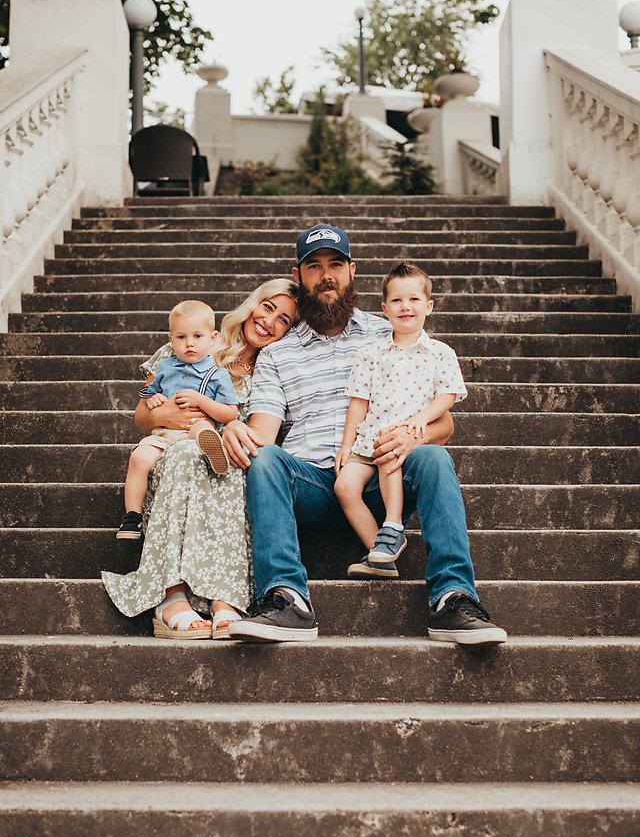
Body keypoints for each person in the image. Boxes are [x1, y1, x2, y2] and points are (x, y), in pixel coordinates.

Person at [223, 223, 507, 646]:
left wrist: (412, 437)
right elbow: (262, 434)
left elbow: (445, 425)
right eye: (314, 266)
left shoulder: (389, 331)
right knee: (264, 460)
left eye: (335, 264)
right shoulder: (278, 353)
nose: (326, 276)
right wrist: (231, 425)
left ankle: (453, 598)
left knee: (433, 457)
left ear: (351, 271)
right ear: (299, 276)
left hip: (381, 478)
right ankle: (286, 599)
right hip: (311, 484)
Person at [102, 279, 299, 639]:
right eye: (268, 307)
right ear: (253, 305)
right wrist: (168, 415)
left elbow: (258, 434)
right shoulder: (192, 338)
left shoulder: (274, 370)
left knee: (234, 467)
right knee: (186, 454)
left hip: (222, 458)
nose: (269, 321)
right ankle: (170, 596)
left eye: (284, 320)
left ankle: (225, 596)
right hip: (175, 450)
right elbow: (142, 415)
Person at [334, 260, 466, 579]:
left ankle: (393, 525)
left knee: (389, 445)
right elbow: (358, 403)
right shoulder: (370, 354)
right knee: (344, 486)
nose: (405, 306)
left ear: (428, 306)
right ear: (385, 308)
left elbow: (447, 395)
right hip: (366, 441)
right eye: (396, 300)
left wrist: (421, 418)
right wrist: (346, 444)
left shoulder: (440, 353)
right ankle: (379, 552)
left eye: (414, 299)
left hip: (401, 439)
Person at [116, 300, 238, 541]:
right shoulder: (164, 366)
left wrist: (201, 401)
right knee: (139, 457)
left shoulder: (218, 374)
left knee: (203, 427)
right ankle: (132, 517)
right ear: (171, 339)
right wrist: (152, 398)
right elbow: (146, 393)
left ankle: (212, 451)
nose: (189, 343)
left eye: (197, 336)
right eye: (181, 337)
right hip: (163, 435)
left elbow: (230, 412)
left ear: (213, 338)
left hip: (194, 433)